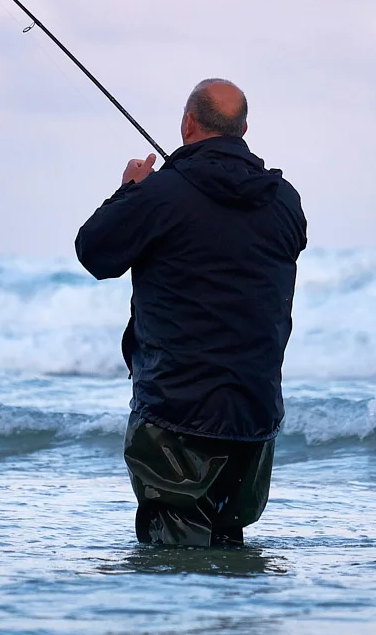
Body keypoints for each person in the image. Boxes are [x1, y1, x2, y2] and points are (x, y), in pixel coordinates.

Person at [75, 78, 308, 547]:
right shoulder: (284, 201)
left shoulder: (159, 195)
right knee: (229, 552)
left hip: (176, 411)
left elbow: (95, 252)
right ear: (243, 129)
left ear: (187, 124)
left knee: (175, 558)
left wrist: (129, 193)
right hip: (254, 412)